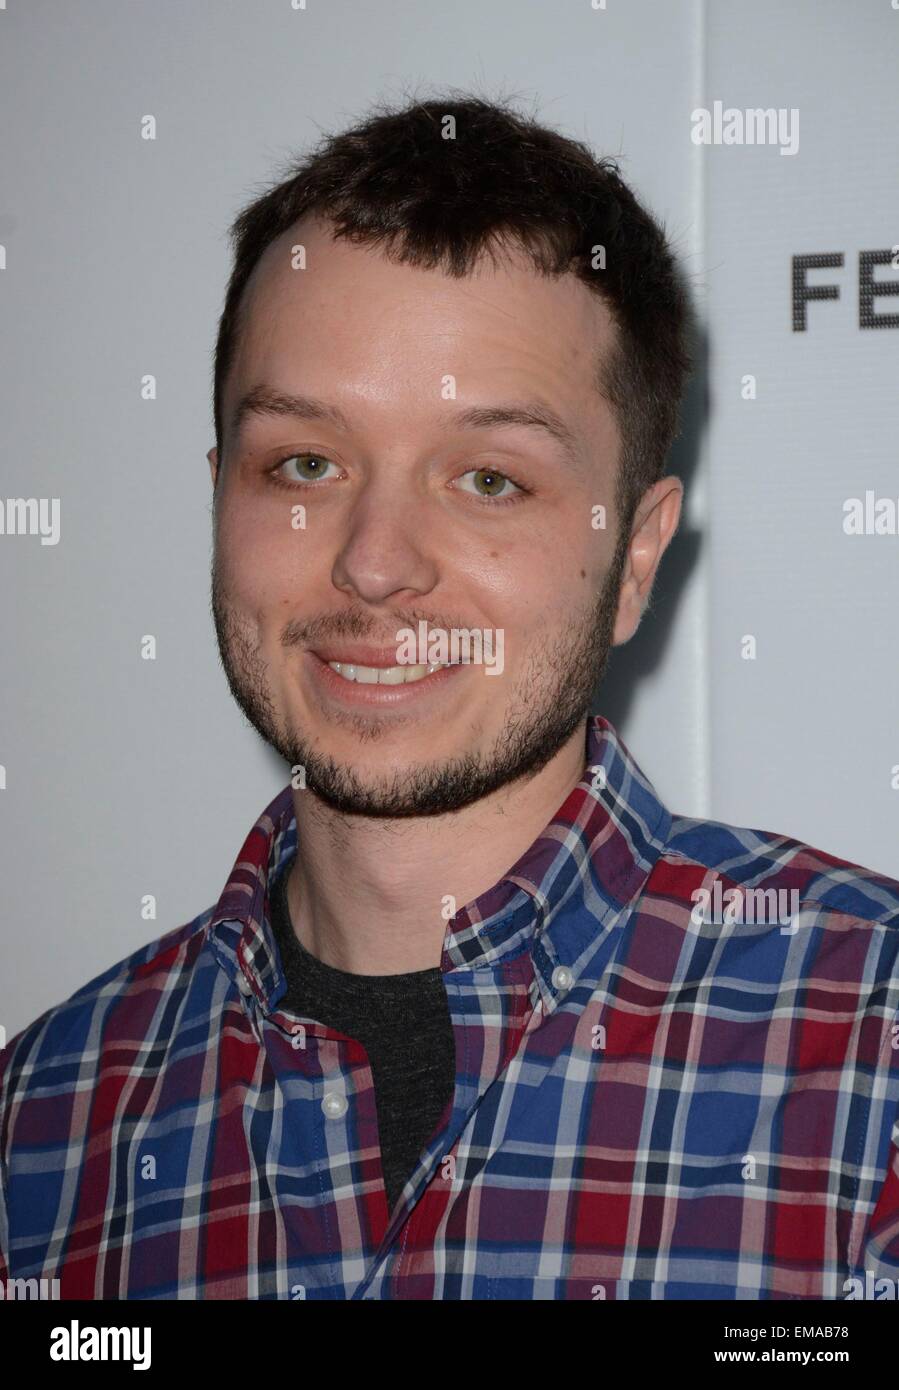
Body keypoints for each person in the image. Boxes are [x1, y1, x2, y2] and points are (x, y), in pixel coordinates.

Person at [2, 94, 897, 1301]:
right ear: (220, 498)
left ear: (632, 559)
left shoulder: (872, 1050)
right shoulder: (43, 1120)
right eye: (303, 464)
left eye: (487, 477)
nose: (374, 560)